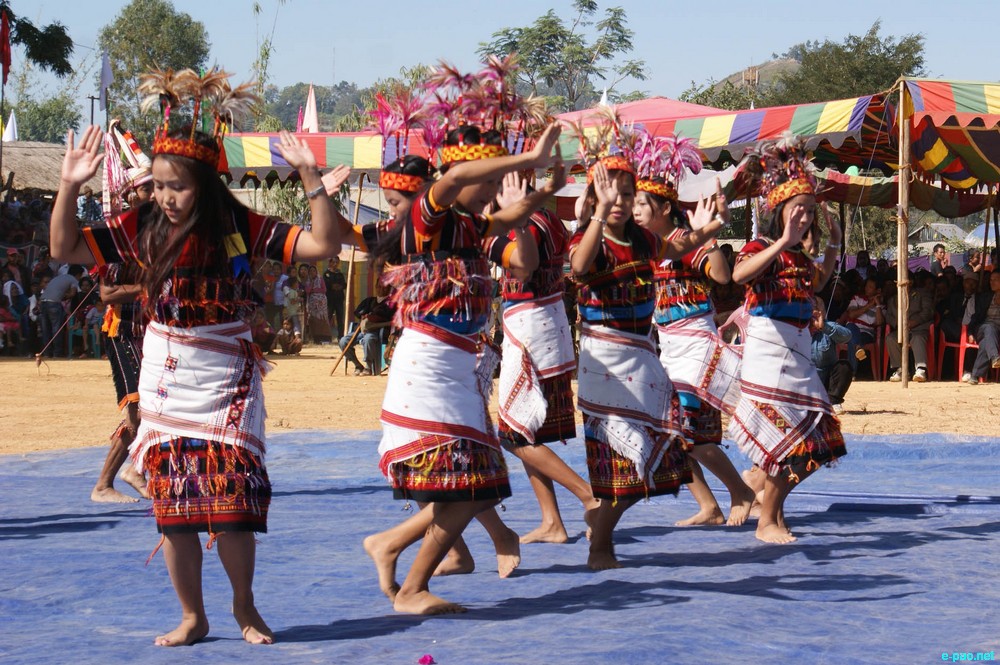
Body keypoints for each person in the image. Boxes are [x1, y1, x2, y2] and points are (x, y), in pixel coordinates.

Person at [48, 67, 341, 646]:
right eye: (157, 185)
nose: (164, 196)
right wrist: (68, 188)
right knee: (173, 506)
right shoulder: (142, 225)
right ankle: (191, 616)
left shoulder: (239, 223)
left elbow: (323, 245)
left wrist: (311, 178)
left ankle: (245, 608)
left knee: (231, 504)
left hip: (226, 376)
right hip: (167, 374)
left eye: (175, 187)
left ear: (205, 185)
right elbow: (63, 247)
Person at [363, 60, 562, 615]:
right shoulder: (427, 218)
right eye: (491, 181)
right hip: (428, 362)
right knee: (469, 484)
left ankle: (394, 551)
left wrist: (546, 190)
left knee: (476, 483)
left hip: (460, 365)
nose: (494, 191)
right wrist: (530, 159)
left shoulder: (473, 228)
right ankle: (411, 587)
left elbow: (520, 242)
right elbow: (448, 181)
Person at [570, 135, 715, 568]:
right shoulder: (588, 238)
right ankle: (600, 546)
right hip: (606, 364)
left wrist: (707, 230)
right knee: (623, 461)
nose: (619, 201)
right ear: (595, 196)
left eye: (627, 194)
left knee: (658, 459)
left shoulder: (643, 240)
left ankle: (601, 532)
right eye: (609, 193)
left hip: (642, 359)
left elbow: (674, 248)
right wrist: (596, 215)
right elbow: (578, 268)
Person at [632, 134, 755, 528]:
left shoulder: (683, 241)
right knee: (676, 434)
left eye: (641, 204)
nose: (634, 211)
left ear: (665, 208)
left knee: (683, 427)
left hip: (695, 344)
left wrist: (711, 235)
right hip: (667, 348)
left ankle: (740, 492)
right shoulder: (648, 249)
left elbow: (720, 275)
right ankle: (710, 505)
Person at [729, 134, 846, 545]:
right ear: (779, 209)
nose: (805, 217)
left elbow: (816, 281)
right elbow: (739, 276)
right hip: (768, 350)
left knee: (822, 441)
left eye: (811, 211)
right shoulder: (762, 245)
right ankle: (769, 519)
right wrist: (782, 242)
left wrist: (832, 243)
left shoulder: (798, 255)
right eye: (799, 209)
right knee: (789, 441)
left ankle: (759, 486)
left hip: (796, 350)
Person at [493, 169, 601, 545]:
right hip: (544, 321)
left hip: (530, 324)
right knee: (526, 429)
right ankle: (551, 521)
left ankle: (588, 495)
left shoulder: (529, 222)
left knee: (513, 432)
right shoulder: (550, 217)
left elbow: (526, 266)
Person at [92, 119, 155, 503]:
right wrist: (147, 289)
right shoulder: (118, 235)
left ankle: (133, 471)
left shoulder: (159, 234)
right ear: (133, 194)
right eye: (148, 187)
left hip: (149, 331)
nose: (154, 193)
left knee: (154, 407)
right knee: (136, 412)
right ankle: (107, 482)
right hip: (122, 330)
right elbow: (106, 292)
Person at [885, 273, 933, 382]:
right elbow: (888, 316)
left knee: (917, 338)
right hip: (901, 329)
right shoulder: (893, 299)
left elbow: (928, 312)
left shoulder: (922, 294)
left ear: (910, 282)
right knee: (890, 338)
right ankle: (901, 370)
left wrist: (915, 322)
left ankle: (921, 369)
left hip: (919, 328)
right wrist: (898, 324)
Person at [810, 297, 853, 414]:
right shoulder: (797, 329)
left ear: (822, 312)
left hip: (826, 381)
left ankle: (833, 402)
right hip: (806, 382)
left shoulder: (828, 326)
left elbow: (847, 336)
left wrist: (824, 327)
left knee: (844, 366)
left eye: (816, 310)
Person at [338, 285, 394, 375]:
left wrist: (376, 318)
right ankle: (358, 365)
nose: (382, 289)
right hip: (363, 330)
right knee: (343, 341)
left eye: (385, 287)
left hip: (378, 330)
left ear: (389, 289)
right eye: (379, 286)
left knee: (369, 339)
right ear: (376, 287)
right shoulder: (369, 301)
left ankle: (368, 367)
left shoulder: (391, 303)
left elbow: (390, 317)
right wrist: (364, 315)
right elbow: (358, 312)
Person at [961, 270, 1000, 384]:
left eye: (996, 280)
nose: (992, 283)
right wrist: (970, 333)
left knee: (985, 342)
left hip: (996, 334)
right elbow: (975, 317)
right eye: (991, 280)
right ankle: (994, 357)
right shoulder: (985, 297)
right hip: (982, 328)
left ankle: (975, 375)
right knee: (989, 328)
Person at [38, 264, 83, 358]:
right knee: (56, 329)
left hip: (43, 302)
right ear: (78, 275)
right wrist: (64, 297)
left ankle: (47, 353)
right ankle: (57, 353)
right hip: (54, 304)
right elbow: (72, 294)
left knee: (46, 329)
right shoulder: (73, 279)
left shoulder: (58, 278)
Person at [304, 264, 331, 343]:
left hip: (321, 303)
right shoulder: (308, 281)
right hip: (312, 303)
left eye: (314, 271)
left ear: (316, 272)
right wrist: (312, 284)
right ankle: (316, 338)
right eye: (310, 271)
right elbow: (308, 291)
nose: (312, 272)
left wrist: (314, 290)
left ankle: (326, 338)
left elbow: (324, 290)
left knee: (322, 319)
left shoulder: (320, 279)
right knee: (314, 319)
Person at [323, 257, 347, 337]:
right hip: (330, 300)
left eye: (337, 262)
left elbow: (344, 284)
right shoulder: (326, 274)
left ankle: (340, 336)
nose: (335, 264)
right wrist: (333, 286)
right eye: (333, 262)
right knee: (328, 318)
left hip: (339, 299)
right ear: (330, 263)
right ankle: (325, 336)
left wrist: (339, 286)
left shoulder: (340, 274)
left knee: (340, 319)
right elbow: (327, 285)